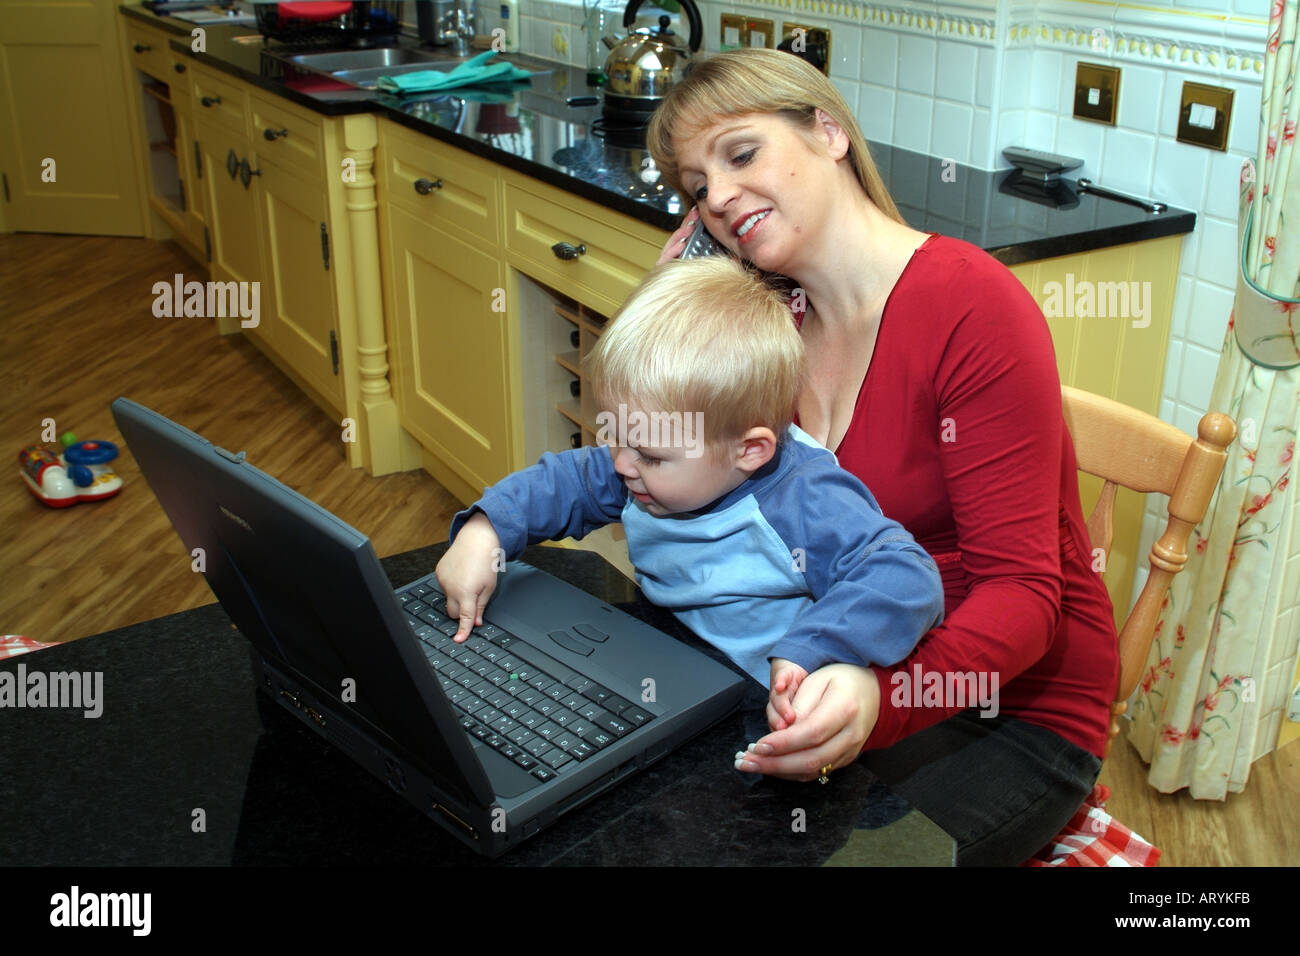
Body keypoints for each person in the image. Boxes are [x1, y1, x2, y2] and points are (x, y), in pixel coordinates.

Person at [646, 47, 1119, 866]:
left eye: (742, 153)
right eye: (696, 188)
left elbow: (1026, 595)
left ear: (828, 131)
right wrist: (670, 307)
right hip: (841, 654)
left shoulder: (971, 306)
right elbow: (660, 466)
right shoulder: (768, 329)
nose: (718, 198)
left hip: (1006, 709)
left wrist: (886, 696)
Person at [435, 255, 944, 724]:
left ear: (749, 451)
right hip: (666, 664)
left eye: (652, 455)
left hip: (757, 705)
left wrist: (814, 646)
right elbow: (562, 483)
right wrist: (485, 532)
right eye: (614, 435)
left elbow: (906, 577)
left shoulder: (806, 500)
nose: (622, 464)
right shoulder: (643, 464)